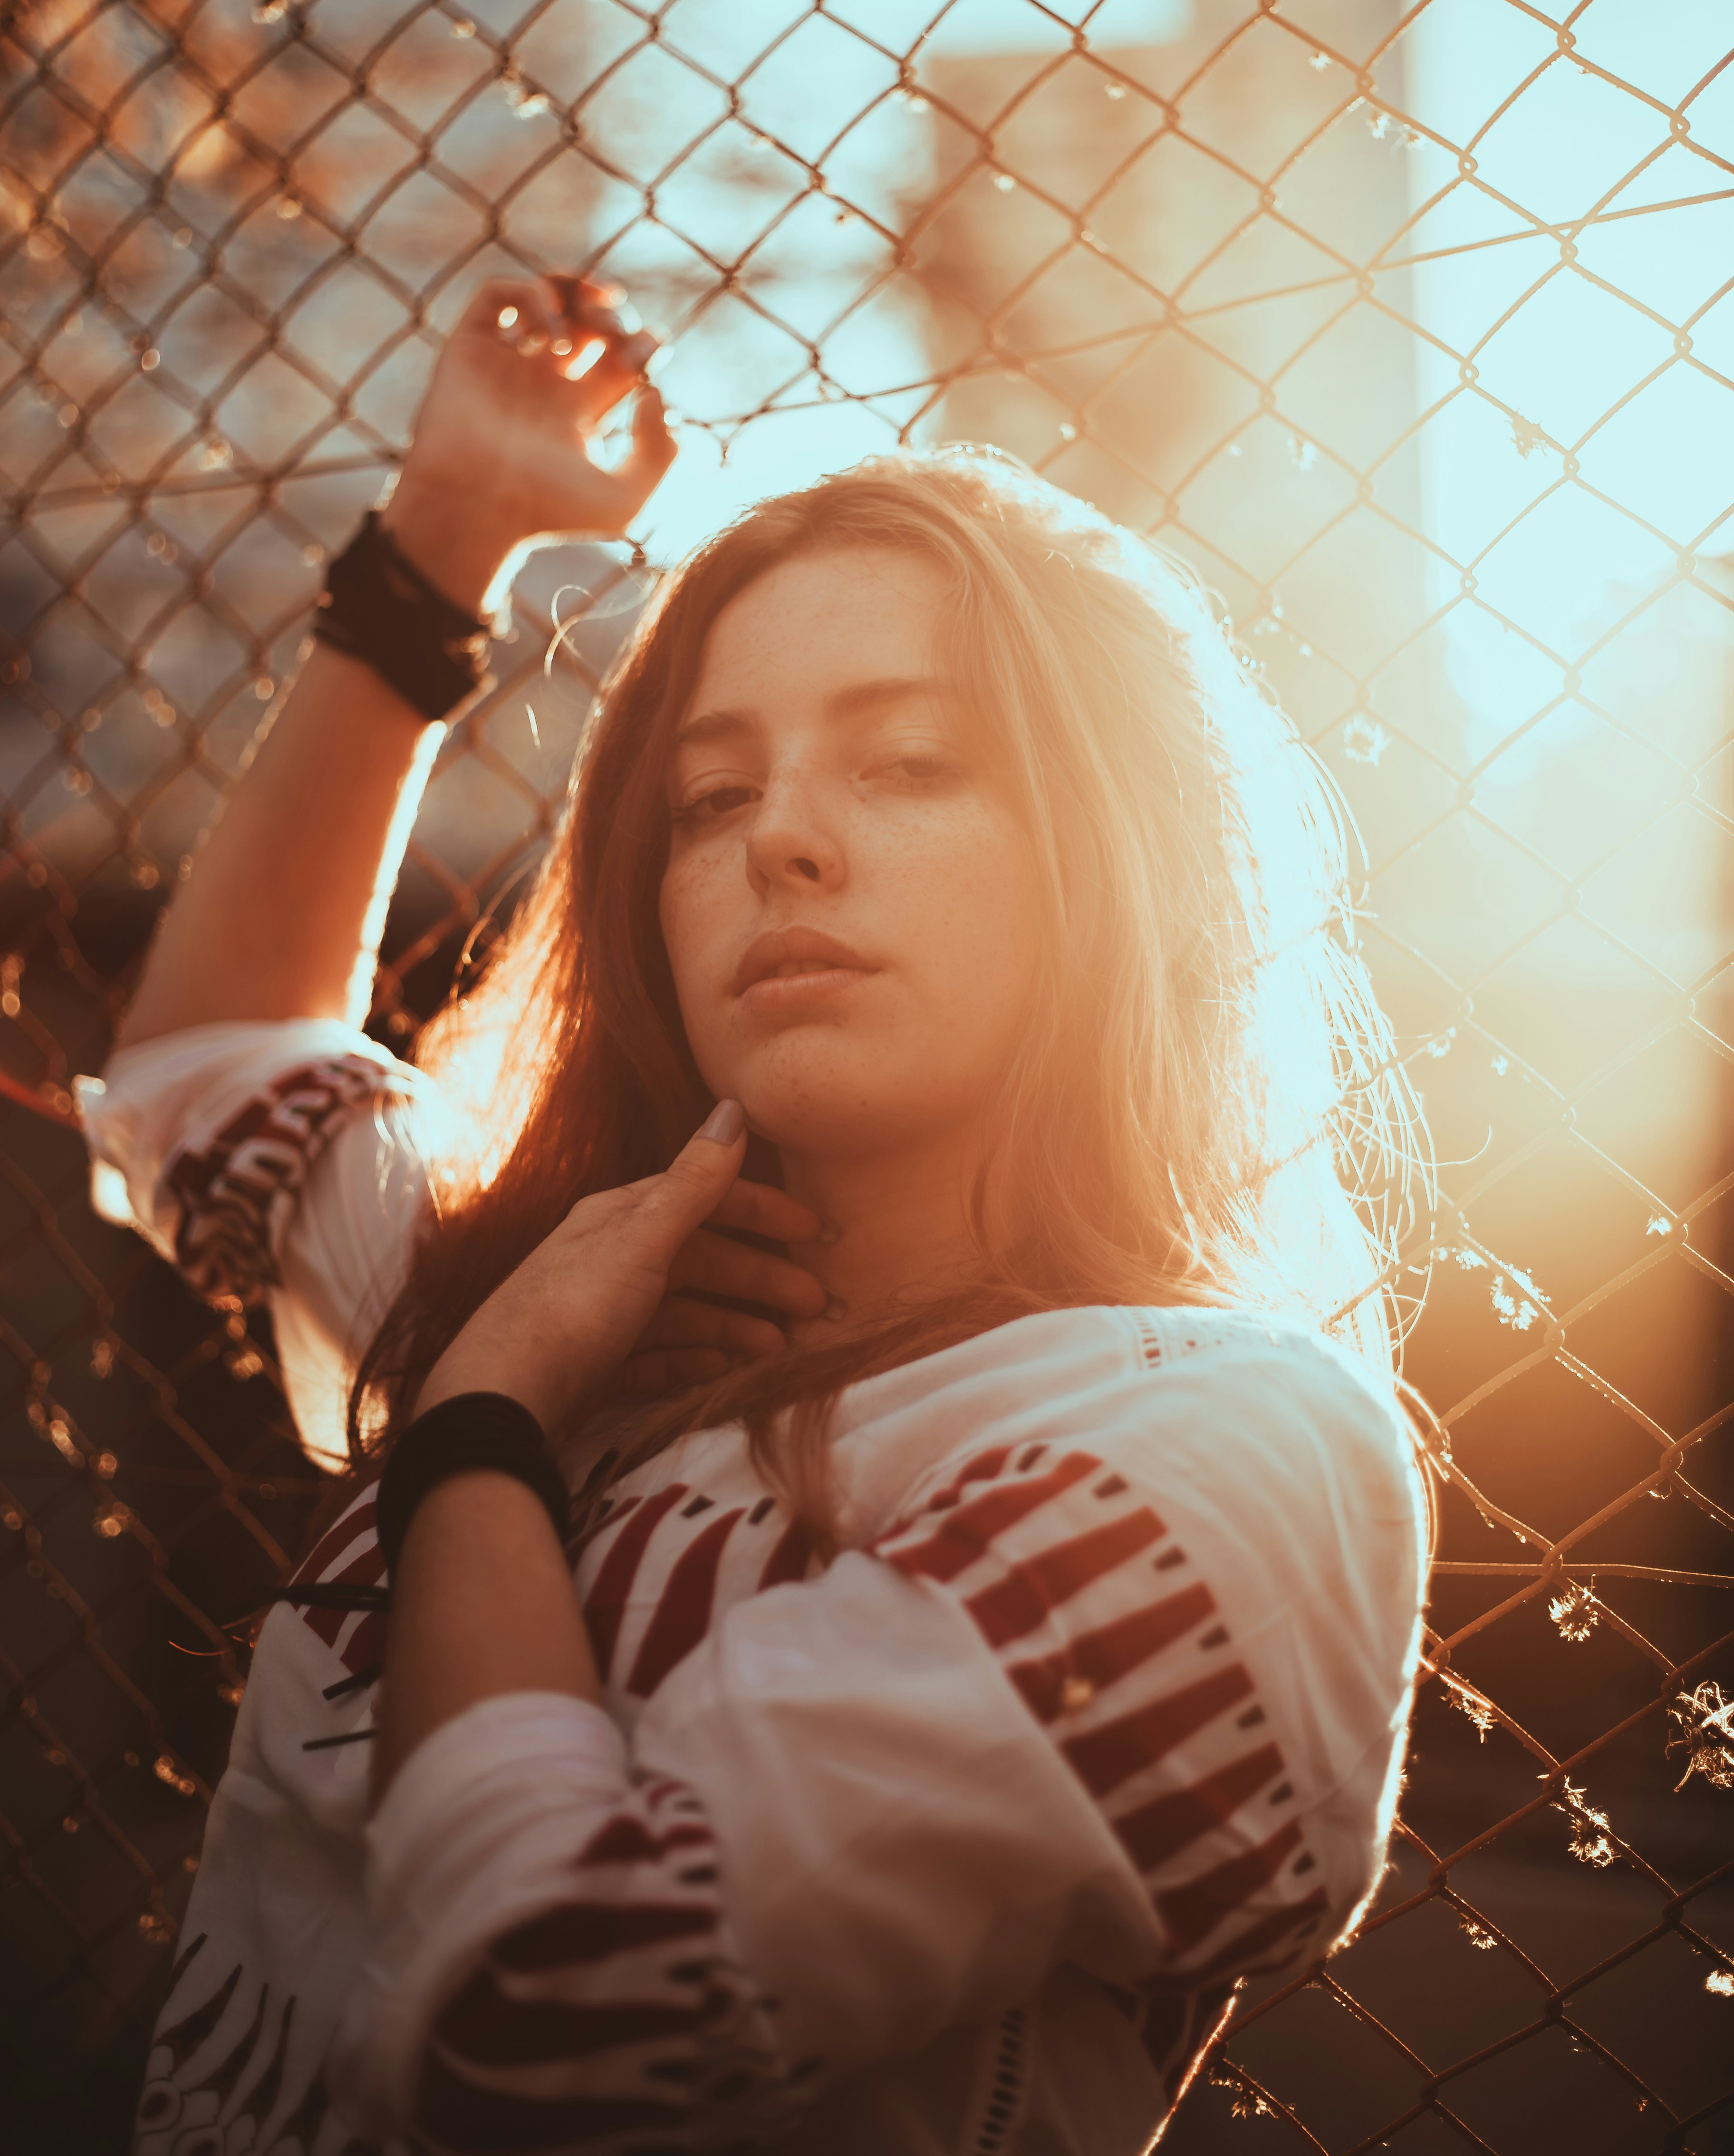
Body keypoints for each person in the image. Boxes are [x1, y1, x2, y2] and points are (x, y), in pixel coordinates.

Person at [81, 274, 1428, 2156]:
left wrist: (475, 1435)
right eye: (713, 796)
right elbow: (207, 1064)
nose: (780, 838)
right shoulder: (580, 1298)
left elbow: (541, 2033)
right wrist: (448, 536)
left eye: (909, 761)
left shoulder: (1219, 1444)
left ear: (1123, 857)